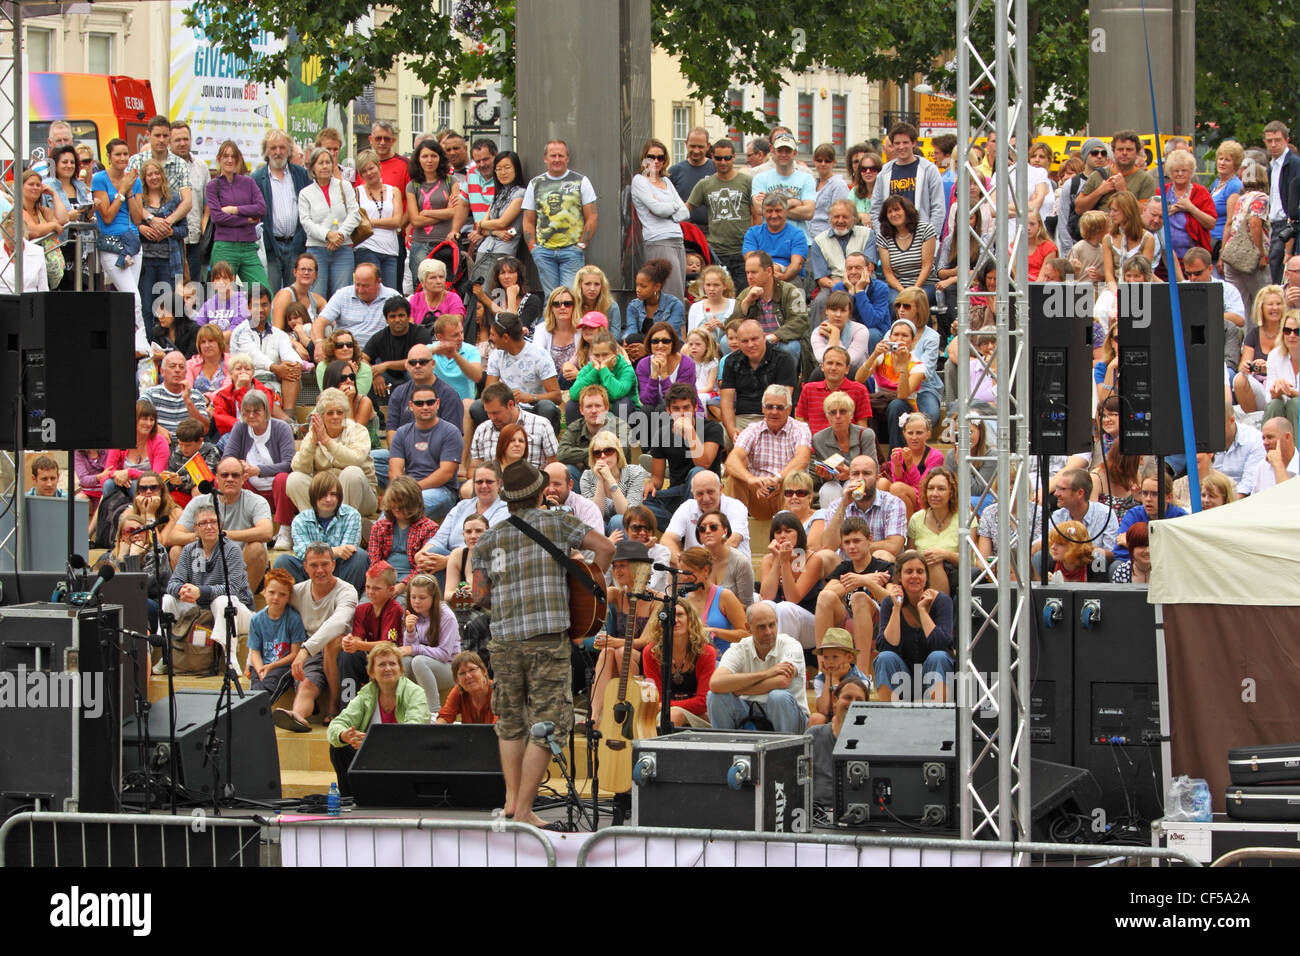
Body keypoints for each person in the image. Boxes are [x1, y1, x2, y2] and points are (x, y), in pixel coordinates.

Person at [470, 461, 614, 828]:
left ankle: (512, 802)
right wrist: (585, 580)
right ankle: (522, 809)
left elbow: (478, 595)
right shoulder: (559, 522)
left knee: (512, 722)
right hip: (547, 640)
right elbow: (605, 548)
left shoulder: (487, 539)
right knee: (551, 723)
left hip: (502, 642)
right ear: (540, 492)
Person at [326, 643, 429, 796]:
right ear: (372, 673)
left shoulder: (415, 693)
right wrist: (345, 735)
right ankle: (349, 799)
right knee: (339, 748)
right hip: (373, 757)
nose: (388, 668)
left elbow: (412, 732)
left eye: (392, 663)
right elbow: (336, 724)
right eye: (382, 664)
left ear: (400, 670)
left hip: (405, 757)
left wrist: (371, 743)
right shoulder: (366, 694)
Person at [162, 506, 254, 670]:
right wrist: (182, 590)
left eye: (213, 522)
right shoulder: (189, 550)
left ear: (220, 525)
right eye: (203, 523)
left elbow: (232, 588)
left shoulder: (232, 549)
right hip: (201, 609)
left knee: (223, 600)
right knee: (168, 599)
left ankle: (230, 658)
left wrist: (201, 592)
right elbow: (173, 583)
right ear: (195, 528)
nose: (209, 526)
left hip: (239, 610)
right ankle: (166, 656)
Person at [707, 602, 808, 734]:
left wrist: (737, 690)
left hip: (788, 714)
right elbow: (715, 684)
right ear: (748, 628)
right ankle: (726, 751)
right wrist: (766, 674)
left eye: (772, 625)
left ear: (777, 622)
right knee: (714, 696)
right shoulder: (739, 648)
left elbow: (782, 681)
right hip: (749, 711)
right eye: (761, 627)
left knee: (778, 697)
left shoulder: (790, 644)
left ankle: (786, 752)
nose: (768, 632)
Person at [872, 550, 954, 701]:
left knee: (938, 657)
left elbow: (941, 643)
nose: (915, 576)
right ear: (899, 577)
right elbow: (886, 646)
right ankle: (888, 717)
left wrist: (922, 610)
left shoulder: (942, 601)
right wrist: (896, 608)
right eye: (909, 571)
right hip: (902, 679)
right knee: (885, 658)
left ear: (926, 576)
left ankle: (938, 717)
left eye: (920, 571)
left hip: (935, 675)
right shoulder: (889, 603)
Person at [288, 387, 379, 519]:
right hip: (325, 495)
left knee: (352, 472)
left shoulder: (358, 431)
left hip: (361, 496)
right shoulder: (314, 432)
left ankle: (344, 524)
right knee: (294, 479)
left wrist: (326, 441)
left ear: (345, 414)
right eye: (330, 413)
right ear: (322, 416)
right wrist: (312, 443)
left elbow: (356, 459)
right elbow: (298, 467)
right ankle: (314, 524)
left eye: (339, 412)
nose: (335, 416)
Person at [522, 139, 598, 297]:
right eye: (553, 155)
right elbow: (528, 220)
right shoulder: (535, 184)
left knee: (569, 297)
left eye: (560, 155)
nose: (557, 159)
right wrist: (533, 248)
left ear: (567, 158)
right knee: (551, 299)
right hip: (544, 252)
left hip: (571, 251)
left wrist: (581, 245)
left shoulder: (581, 182)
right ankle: (549, 323)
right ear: (545, 158)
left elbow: (592, 216)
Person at [726, 384, 812, 520]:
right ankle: (735, 528)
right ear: (762, 408)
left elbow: (802, 459)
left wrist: (777, 479)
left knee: (794, 484)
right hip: (760, 494)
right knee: (734, 479)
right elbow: (731, 461)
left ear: (789, 409)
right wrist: (751, 479)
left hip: (789, 493)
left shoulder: (800, 429)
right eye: (769, 406)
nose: (774, 412)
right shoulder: (752, 430)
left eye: (780, 407)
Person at [275, 470, 368, 591]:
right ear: (314, 497)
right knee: (282, 561)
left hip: (339, 571)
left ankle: (346, 598)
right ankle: (303, 603)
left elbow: (348, 550)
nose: (328, 499)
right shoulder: (300, 520)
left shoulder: (352, 515)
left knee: (360, 556)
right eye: (323, 495)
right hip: (310, 572)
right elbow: (303, 553)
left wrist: (331, 553)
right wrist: (334, 551)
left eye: (333, 494)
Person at [91, 138, 145, 335]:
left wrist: (129, 191)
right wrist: (121, 190)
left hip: (133, 244)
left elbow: (138, 218)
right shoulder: (100, 179)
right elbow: (106, 216)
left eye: (125, 154)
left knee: (129, 299)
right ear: (109, 157)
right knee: (134, 299)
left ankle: (126, 338)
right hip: (113, 245)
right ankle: (142, 343)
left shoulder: (134, 180)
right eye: (118, 154)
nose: (123, 158)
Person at [388, 382, 462, 520]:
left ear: (437, 403)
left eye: (430, 402)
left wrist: (412, 489)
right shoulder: (402, 433)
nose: (425, 407)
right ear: (411, 406)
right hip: (408, 490)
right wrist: (402, 490)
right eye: (419, 403)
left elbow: (446, 473)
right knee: (391, 511)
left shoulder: (451, 432)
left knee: (406, 507)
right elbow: (394, 470)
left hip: (443, 491)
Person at [719, 317, 799, 442]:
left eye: (754, 339)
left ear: (763, 336)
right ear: (739, 342)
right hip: (742, 419)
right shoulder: (731, 361)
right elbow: (726, 401)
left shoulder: (783, 359)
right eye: (745, 341)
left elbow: (784, 401)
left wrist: (760, 430)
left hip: (774, 417)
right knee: (717, 437)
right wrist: (731, 430)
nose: (750, 344)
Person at [205, 140, 271, 292]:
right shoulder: (213, 186)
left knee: (262, 291)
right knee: (222, 295)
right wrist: (246, 220)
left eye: (233, 156)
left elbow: (261, 208)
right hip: (224, 246)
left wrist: (234, 210)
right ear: (219, 159)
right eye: (225, 156)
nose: (229, 160)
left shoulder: (248, 182)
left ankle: (262, 317)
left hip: (249, 247)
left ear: (238, 159)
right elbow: (217, 217)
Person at [686, 140, 752, 290]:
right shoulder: (705, 184)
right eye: (719, 158)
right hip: (717, 252)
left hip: (743, 251)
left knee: (742, 298)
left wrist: (754, 244)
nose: (723, 162)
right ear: (712, 158)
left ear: (734, 157)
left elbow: (756, 214)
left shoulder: (747, 182)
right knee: (718, 295)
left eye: (727, 158)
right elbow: (686, 209)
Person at [639, 601, 717, 729]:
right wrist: (667, 707)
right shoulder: (651, 652)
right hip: (663, 715)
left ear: (690, 619)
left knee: (673, 715)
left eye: (680, 614)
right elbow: (656, 699)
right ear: (661, 621)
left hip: (698, 716)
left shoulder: (706, 652)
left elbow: (703, 702)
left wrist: (669, 706)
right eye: (670, 615)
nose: (675, 620)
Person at [298, 145, 362, 299]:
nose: (325, 166)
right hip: (317, 250)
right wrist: (328, 235)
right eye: (320, 163)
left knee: (342, 296)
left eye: (328, 162)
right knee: (316, 295)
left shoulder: (344, 186)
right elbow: (306, 222)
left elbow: (355, 214)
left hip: (343, 249)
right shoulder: (305, 193)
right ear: (313, 167)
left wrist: (339, 236)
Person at [251, 128, 310, 292]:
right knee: (271, 294)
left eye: (282, 148)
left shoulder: (301, 175)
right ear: (266, 151)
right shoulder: (257, 179)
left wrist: (301, 238)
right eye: (273, 148)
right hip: (271, 246)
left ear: (289, 150)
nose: (278, 152)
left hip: (296, 244)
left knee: (296, 295)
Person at [759, 511, 827, 650]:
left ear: (799, 533)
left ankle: (783, 659)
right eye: (778, 532)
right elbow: (766, 597)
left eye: (788, 531)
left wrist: (785, 562)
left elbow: (793, 598)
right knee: (758, 602)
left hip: (810, 625)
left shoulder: (813, 559)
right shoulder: (768, 559)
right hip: (778, 621)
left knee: (785, 607)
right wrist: (778, 559)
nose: (783, 536)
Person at [631, 138, 690, 300]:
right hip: (658, 240)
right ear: (644, 158)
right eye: (651, 157)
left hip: (677, 240)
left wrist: (665, 208)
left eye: (660, 157)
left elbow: (685, 212)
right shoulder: (640, 181)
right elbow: (657, 209)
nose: (655, 161)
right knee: (669, 294)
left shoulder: (666, 182)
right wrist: (671, 207)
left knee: (678, 290)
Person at [404, 138, 464, 292]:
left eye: (433, 156)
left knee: (446, 287)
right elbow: (415, 220)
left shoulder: (451, 181)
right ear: (418, 159)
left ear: (440, 158)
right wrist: (445, 212)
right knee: (421, 287)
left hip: (445, 243)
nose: (429, 160)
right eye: (425, 156)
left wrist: (426, 212)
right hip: (420, 245)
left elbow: (456, 212)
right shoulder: (412, 186)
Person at [366, 476, 438, 594]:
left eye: (402, 503)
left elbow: (422, 568)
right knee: (363, 608)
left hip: (413, 583)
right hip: (382, 580)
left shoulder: (429, 528)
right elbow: (374, 561)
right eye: (394, 502)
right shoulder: (379, 527)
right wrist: (379, 585)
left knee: (397, 609)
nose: (397, 508)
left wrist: (402, 586)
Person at [1221, 160, 1273, 312]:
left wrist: (1223, 251)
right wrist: (1261, 255)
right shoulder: (1261, 198)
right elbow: (1255, 224)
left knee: (1242, 305)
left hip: (1232, 256)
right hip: (1250, 257)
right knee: (1264, 300)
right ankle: (1262, 335)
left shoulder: (1241, 198)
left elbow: (1230, 224)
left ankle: (1244, 336)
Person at [246, 568, 307, 699]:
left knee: (267, 690)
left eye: (282, 594)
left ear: (289, 597)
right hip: (261, 665)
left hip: (282, 666)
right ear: (264, 592)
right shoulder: (256, 619)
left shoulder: (293, 619)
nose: (276, 598)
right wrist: (260, 669)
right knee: (255, 690)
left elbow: (294, 653)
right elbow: (255, 651)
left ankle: (258, 714)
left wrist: (271, 666)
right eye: (271, 592)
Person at [350, 148, 406, 291]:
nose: (369, 173)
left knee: (390, 293)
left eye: (371, 168)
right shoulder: (357, 192)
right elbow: (356, 221)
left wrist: (370, 222)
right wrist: (385, 223)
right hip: (366, 247)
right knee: (370, 292)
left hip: (390, 249)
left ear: (379, 166)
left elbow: (397, 222)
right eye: (364, 171)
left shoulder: (393, 191)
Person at [42, 144, 93, 289]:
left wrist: (90, 212)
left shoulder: (80, 186)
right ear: (55, 164)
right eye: (64, 162)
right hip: (58, 245)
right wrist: (66, 217)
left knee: (78, 291)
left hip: (79, 247)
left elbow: (84, 218)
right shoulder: (47, 186)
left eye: (72, 162)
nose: (69, 165)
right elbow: (43, 215)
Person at [100, 399, 170, 504]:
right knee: (108, 484)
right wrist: (117, 474)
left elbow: (157, 477)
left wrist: (130, 473)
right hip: (123, 483)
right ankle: (110, 517)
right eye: (144, 419)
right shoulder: (121, 439)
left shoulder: (160, 442)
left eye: (152, 420)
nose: (149, 423)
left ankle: (143, 519)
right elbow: (106, 473)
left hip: (151, 487)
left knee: (135, 486)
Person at [1074, 129, 1158, 217]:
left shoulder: (1146, 180)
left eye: (1129, 150)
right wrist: (1099, 191)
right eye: (1120, 149)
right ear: (1113, 152)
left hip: (1131, 230)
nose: (1124, 153)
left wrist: (1124, 193)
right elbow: (1078, 209)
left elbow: (1146, 214)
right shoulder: (1097, 175)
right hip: (1101, 229)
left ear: (1136, 153)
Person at [580, 430, 647, 533]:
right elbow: (595, 515)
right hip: (600, 530)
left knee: (618, 520)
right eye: (597, 453)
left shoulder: (635, 473)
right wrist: (601, 481)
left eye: (608, 451)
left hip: (627, 528)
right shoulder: (587, 477)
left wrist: (609, 478)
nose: (603, 456)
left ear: (618, 453)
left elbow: (628, 514)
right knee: (593, 523)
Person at [566, 333, 639, 425]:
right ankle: (577, 438)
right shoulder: (590, 368)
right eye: (596, 355)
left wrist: (604, 370)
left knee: (622, 403)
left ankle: (621, 438)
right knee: (572, 405)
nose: (601, 359)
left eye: (605, 355)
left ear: (615, 354)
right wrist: (595, 371)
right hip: (597, 412)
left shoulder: (626, 369)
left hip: (628, 416)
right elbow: (574, 394)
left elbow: (617, 393)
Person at [624, 259, 687, 360]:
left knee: (661, 339)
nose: (638, 289)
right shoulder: (633, 306)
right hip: (640, 351)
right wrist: (627, 343)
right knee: (632, 339)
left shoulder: (674, 305)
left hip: (667, 347)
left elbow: (668, 334)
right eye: (637, 285)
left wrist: (647, 348)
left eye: (643, 286)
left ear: (657, 287)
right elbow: (631, 330)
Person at [21, 167, 69, 291]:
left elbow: (63, 220)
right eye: (31, 184)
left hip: (46, 270)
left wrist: (54, 194)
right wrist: (52, 226)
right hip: (27, 269)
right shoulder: (17, 209)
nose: (35, 187)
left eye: (38, 185)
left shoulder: (42, 210)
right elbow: (33, 230)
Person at [1264, 120, 1300, 284]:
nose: (1273, 145)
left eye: (1277, 140)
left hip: (1287, 222)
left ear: (1286, 140)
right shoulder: (1271, 166)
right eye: (1269, 140)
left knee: (1280, 270)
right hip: (1274, 222)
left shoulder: (1293, 164)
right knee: (1274, 268)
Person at [742, 195, 808, 283]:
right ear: (763, 212)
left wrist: (783, 278)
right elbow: (750, 259)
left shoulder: (797, 234)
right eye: (769, 211)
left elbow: (797, 264)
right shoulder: (753, 233)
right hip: (760, 277)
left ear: (786, 212)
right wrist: (768, 275)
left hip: (790, 278)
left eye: (778, 210)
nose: (773, 215)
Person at [635, 321, 696, 412]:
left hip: (683, 411)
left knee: (662, 409)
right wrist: (654, 375)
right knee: (646, 410)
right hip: (655, 412)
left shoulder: (687, 364)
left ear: (673, 343)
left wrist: (664, 374)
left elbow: (678, 400)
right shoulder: (643, 364)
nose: (660, 345)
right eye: (655, 341)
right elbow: (646, 401)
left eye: (665, 341)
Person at [435, 650, 496, 724]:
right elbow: (445, 717)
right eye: (462, 673)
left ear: (484, 671)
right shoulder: (459, 691)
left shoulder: (499, 691)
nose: (468, 676)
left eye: (472, 670)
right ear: (457, 680)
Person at [272, 253, 328, 332]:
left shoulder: (318, 300)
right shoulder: (285, 295)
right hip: (287, 341)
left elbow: (332, 323)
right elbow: (277, 332)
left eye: (310, 270)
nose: (306, 272)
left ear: (315, 275)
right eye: (302, 269)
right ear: (295, 272)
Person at [1264, 311, 1300, 434]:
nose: (1291, 335)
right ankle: (1270, 450)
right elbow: (1268, 397)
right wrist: (1276, 392)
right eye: (1287, 331)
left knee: (1295, 404)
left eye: (1297, 331)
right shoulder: (1275, 355)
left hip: (1295, 407)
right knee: (1275, 404)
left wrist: (1292, 392)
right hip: (1282, 406)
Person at [572, 265, 624, 342]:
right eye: (587, 284)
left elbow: (615, 338)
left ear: (602, 286)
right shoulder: (571, 305)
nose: (592, 288)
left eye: (597, 284)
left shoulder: (611, 306)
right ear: (580, 285)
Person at [1249, 416, 1299, 492]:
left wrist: (1278, 464)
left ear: (1287, 437)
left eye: (1270, 437)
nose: (1265, 443)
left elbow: (1289, 500)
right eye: (1263, 438)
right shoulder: (1262, 466)